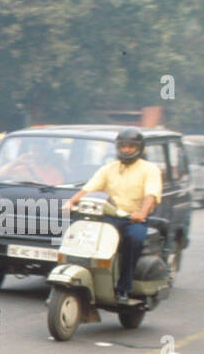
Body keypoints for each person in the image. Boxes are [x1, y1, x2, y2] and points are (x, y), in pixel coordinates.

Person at [67, 128, 160, 303]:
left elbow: (151, 194)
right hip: (111, 217)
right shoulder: (109, 168)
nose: (126, 150)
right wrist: (71, 203)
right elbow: (89, 188)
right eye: (123, 146)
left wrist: (142, 213)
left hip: (134, 219)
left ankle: (124, 288)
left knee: (134, 240)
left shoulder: (149, 169)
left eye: (130, 147)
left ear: (139, 148)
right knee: (86, 236)